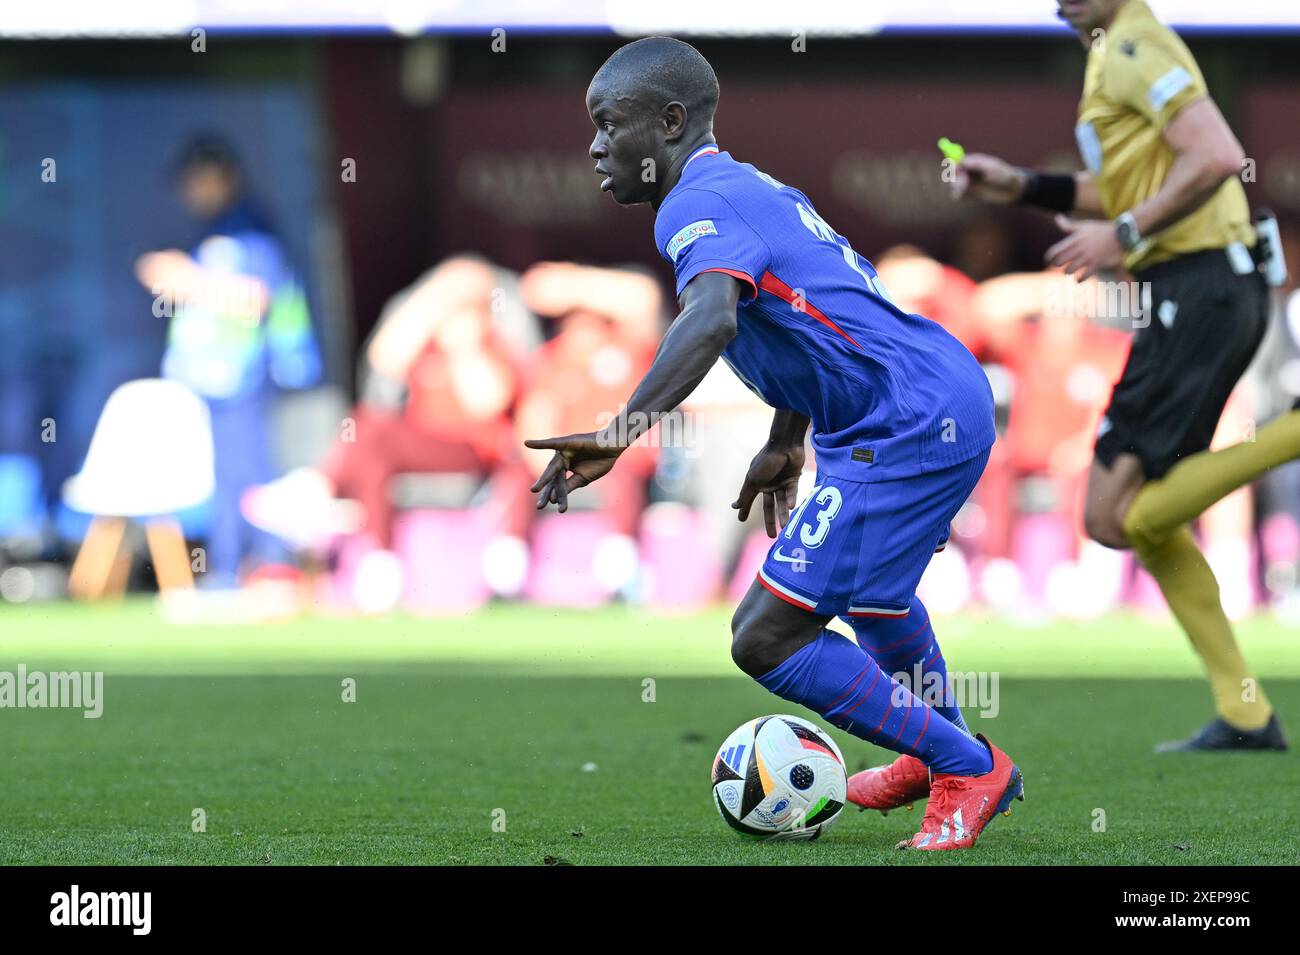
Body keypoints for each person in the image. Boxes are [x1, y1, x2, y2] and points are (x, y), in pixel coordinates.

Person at [525, 37, 1022, 851]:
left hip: (903, 420)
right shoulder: (745, 187)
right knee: (876, 600)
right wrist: (786, 439)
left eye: (609, 124)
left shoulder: (694, 204)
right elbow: (805, 313)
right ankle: (940, 753)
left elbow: (713, 318)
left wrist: (622, 430)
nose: (595, 146)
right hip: (922, 401)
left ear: (670, 122)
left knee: (763, 636)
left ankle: (966, 764)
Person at [952, 0, 1292, 751]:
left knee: (1112, 517)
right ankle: (1244, 712)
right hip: (1195, 289)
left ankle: (1291, 434)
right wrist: (1020, 185)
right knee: (1135, 519)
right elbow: (1123, 191)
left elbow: (1217, 155)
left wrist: (1125, 234)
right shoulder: (1112, 52)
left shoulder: (1137, 45)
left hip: (1200, 286)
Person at [135, 136, 320, 588]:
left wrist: (184, 279)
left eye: (196, 181)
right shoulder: (213, 228)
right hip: (215, 377)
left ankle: (252, 569)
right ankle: (238, 570)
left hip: (244, 374)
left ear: (223, 178)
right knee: (225, 473)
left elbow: (255, 298)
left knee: (246, 473)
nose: (189, 192)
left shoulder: (249, 229)